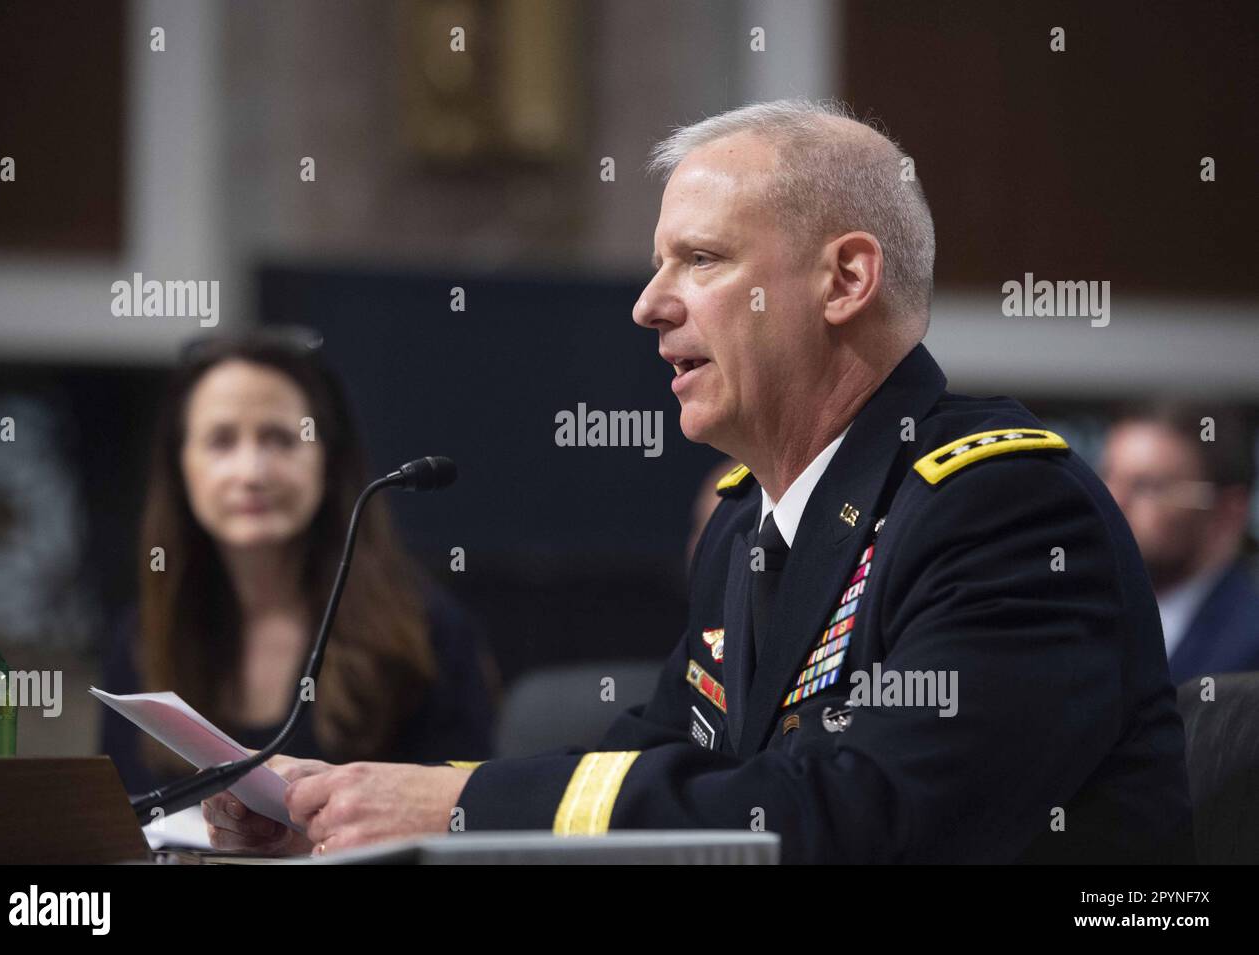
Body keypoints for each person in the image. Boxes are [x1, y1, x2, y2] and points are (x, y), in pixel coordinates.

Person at [205, 100, 1194, 863]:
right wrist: (360, 809)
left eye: (701, 260)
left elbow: (860, 818)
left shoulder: (1001, 507)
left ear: (845, 280)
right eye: (656, 265)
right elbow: (643, 763)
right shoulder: (746, 522)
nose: (646, 305)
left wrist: (454, 809)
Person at [101, 330, 495, 800]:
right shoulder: (142, 639)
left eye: (281, 439)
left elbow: (461, 819)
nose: (252, 473)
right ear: (180, 466)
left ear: (329, 461)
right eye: (221, 441)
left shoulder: (428, 634)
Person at [1101, 403, 1259, 685]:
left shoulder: (1248, 646)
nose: (1113, 503)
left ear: (1227, 512)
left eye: (1147, 486)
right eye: (1105, 481)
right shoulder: (1081, 620)